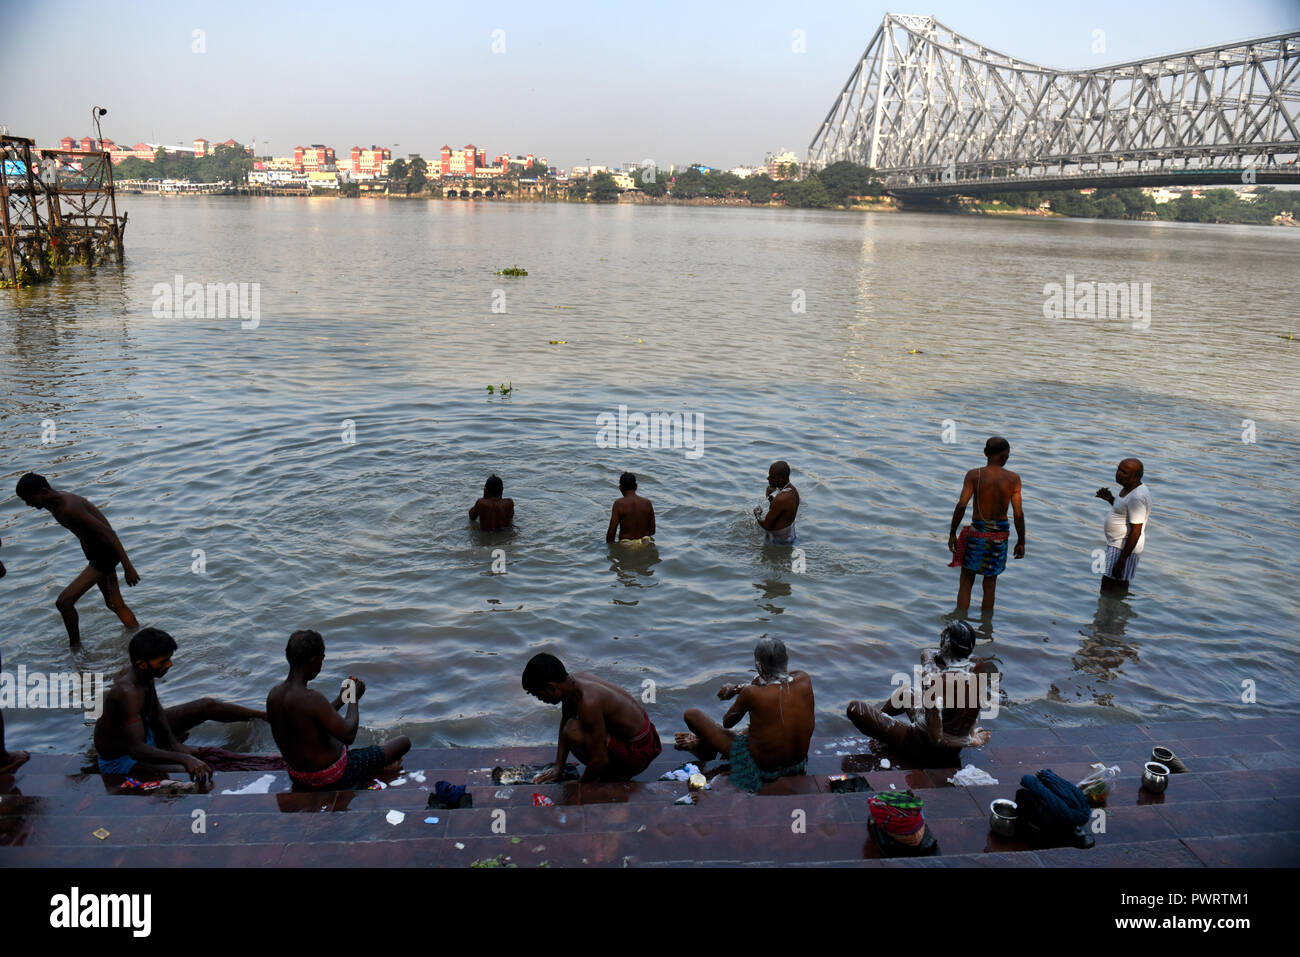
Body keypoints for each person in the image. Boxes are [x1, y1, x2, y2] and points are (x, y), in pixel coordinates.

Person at [93, 627, 265, 783]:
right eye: (163, 661)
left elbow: (155, 710)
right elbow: (136, 749)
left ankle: (266, 716)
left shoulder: (143, 673)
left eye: (169, 659)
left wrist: (172, 743)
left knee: (207, 705)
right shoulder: (125, 693)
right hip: (124, 760)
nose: (169, 665)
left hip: (146, 734)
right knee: (188, 772)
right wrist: (183, 758)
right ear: (142, 664)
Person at [266, 629, 410, 790]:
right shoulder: (312, 698)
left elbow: (311, 720)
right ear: (313, 661)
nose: (321, 664)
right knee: (403, 742)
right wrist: (353, 699)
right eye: (322, 659)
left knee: (335, 735)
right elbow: (349, 735)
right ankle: (378, 768)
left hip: (298, 776)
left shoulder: (274, 695)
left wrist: (342, 700)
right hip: (331, 776)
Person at [846, 621, 995, 768]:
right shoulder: (978, 664)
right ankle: (879, 735)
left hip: (924, 748)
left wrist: (970, 741)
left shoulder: (935, 680)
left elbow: (936, 739)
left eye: (941, 641)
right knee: (904, 693)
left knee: (855, 708)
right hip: (951, 746)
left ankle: (882, 736)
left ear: (947, 645)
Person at [674, 638, 814, 792]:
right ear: (786, 659)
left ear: (758, 666)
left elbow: (727, 722)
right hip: (797, 766)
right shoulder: (804, 679)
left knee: (692, 715)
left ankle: (705, 743)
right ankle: (705, 743)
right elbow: (776, 682)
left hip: (763, 770)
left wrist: (737, 692)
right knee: (764, 724)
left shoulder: (752, 694)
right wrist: (737, 688)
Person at [15, 472, 140, 645]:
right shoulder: (53, 503)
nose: (28, 504)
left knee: (64, 602)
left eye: (29, 499)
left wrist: (128, 568)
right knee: (114, 604)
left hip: (105, 557)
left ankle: (75, 649)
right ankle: (138, 636)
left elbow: (109, 533)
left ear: (43, 492)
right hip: (98, 556)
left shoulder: (69, 507)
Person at [523, 653, 661, 783]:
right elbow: (566, 718)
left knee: (573, 732)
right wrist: (559, 767)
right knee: (570, 726)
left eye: (538, 695)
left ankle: (612, 775)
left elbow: (600, 759)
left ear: (551, 688)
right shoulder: (571, 683)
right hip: (641, 738)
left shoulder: (588, 702)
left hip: (638, 754)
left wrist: (581, 786)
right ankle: (602, 773)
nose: (540, 699)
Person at [947, 437, 1025, 614]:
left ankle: (960, 623)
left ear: (985, 453)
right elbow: (1018, 514)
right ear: (1005, 456)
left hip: (977, 537)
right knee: (990, 584)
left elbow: (961, 505)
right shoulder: (1013, 479)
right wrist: (1021, 541)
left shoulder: (974, 475)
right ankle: (986, 630)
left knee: (966, 581)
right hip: (999, 538)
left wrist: (952, 533)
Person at [1096, 458, 1150, 594]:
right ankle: (1116, 612)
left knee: (1109, 585)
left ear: (1135, 477)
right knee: (1116, 583)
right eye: (1118, 469)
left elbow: (1136, 531)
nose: (1118, 473)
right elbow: (1124, 511)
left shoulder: (1137, 497)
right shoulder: (1129, 489)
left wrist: (1122, 560)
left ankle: (1109, 613)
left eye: (1124, 472)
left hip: (1122, 547)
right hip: (1117, 545)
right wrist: (1110, 499)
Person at [754, 461, 799, 545]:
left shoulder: (781, 499)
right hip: (789, 536)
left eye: (772, 477)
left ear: (781, 479)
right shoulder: (793, 491)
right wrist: (771, 499)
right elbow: (782, 514)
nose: (768, 478)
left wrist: (757, 514)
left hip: (778, 542)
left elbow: (766, 526)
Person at [606, 472, 655, 544]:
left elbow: (611, 532)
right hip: (645, 542)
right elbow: (652, 531)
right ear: (636, 486)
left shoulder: (619, 504)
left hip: (627, 544)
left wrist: (608, 548)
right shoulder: (647, 503)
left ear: (620, 488)